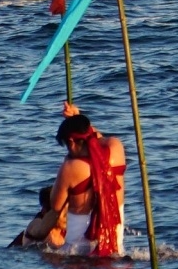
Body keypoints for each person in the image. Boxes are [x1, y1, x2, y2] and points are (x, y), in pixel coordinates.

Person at [47, 102, 126, 256]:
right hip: (113, 243)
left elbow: (55, 206)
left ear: (70, 142)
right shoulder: (116, 147)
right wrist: (78, 118)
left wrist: (65, 162)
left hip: (76, 250)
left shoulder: (71, 167)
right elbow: (97, 138)